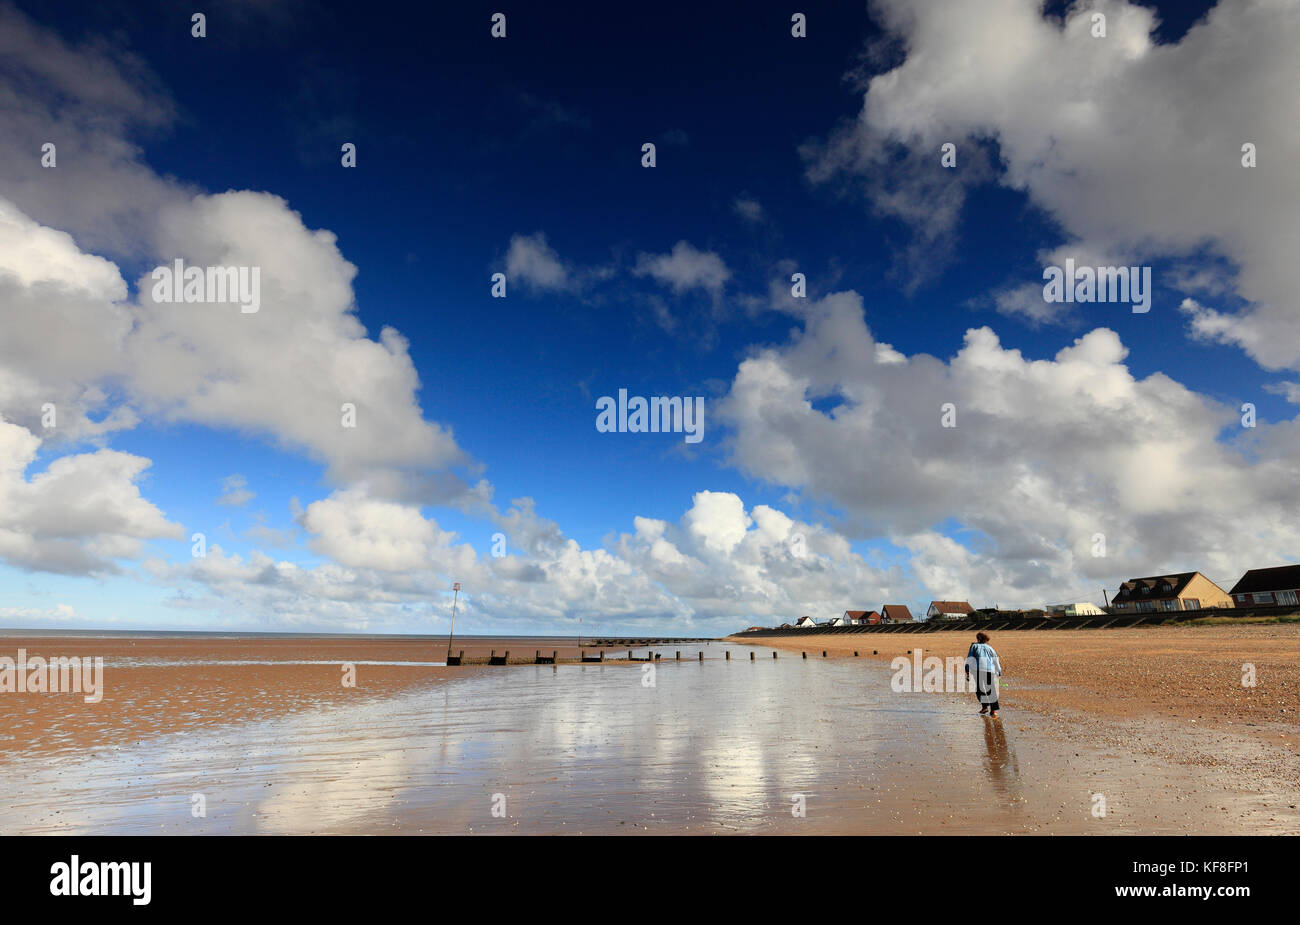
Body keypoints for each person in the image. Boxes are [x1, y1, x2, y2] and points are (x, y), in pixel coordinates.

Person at [965, 631, 1002, 717]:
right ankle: (993, 711)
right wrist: (999, 672)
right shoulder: (990, 648)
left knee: (979, 689)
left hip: (978, 670)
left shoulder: (974, 646)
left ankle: (985, 707)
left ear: (978, 638)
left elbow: (970, 658)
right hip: (990, 670)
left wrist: (967, 670)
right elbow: (996, 661)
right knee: (991, 690)